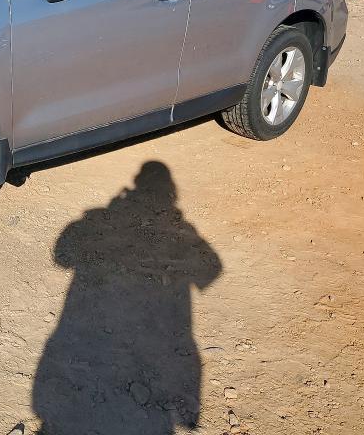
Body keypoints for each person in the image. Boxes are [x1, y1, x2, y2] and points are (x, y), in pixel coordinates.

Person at [31, 161, 222, 434]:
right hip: (157, 347)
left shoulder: (98, 219)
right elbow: (211, 270)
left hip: (86, 343)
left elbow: (62, 256)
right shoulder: (183, 231)